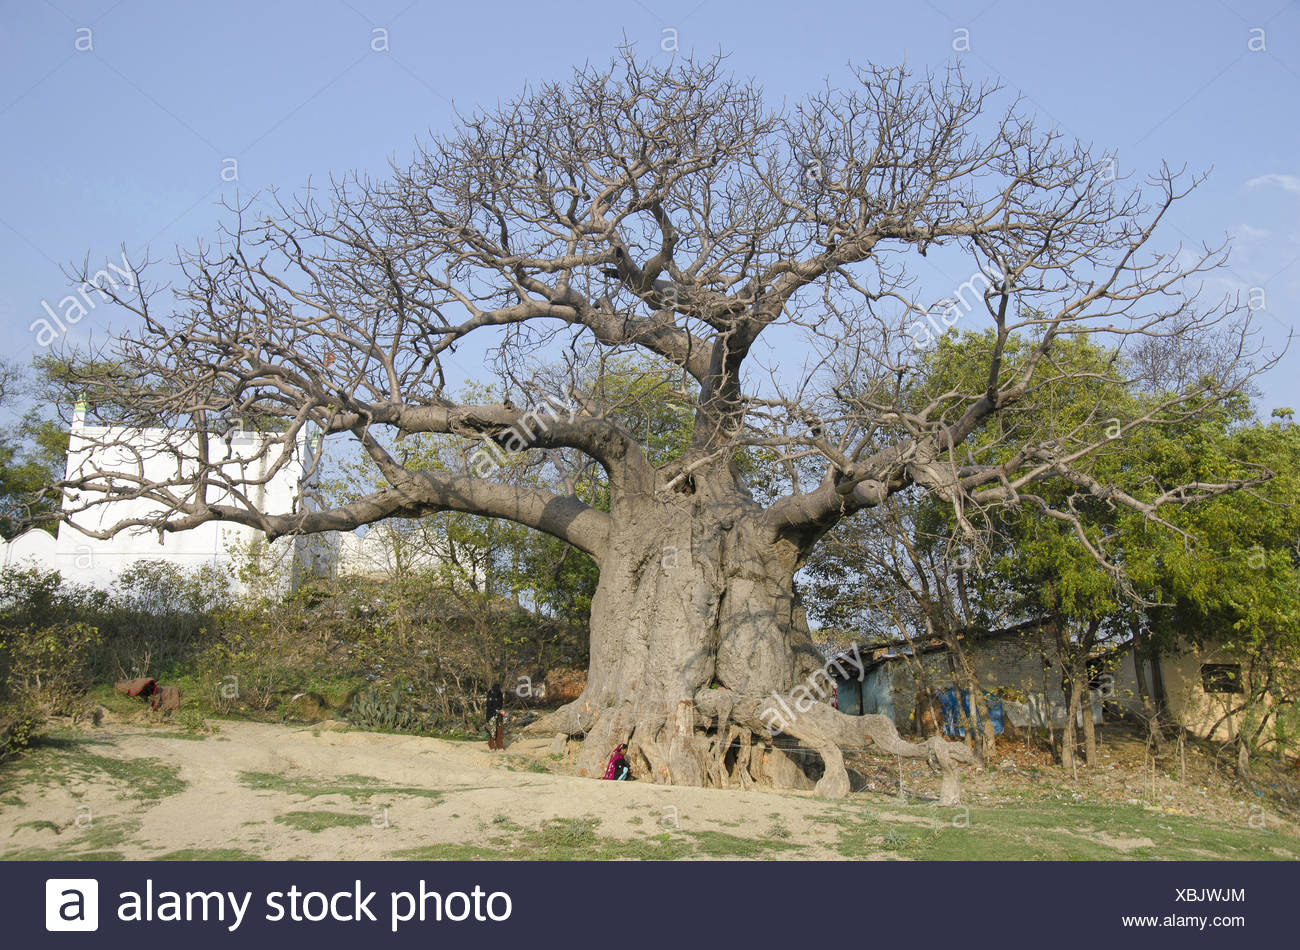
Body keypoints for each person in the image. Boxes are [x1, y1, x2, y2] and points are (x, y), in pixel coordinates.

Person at [484, 683, 504, 750]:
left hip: (498, 715)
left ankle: (500, 746)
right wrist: (495, 710)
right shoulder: (490, 695)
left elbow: (501, 704)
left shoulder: (500, 694)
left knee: (499, 731)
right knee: (491, 731)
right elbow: (489, 706)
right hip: (490, 715)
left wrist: (500, 711)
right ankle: (491, 746)